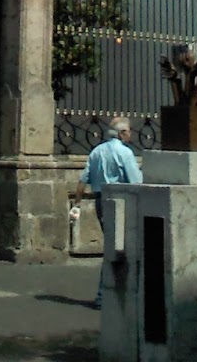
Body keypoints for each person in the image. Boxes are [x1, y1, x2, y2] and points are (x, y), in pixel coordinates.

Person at [72, 117, 142, 307]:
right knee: (122, 246)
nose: (130, 134)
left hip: (100, 200)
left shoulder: (96, 152)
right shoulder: (125, 153)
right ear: (121, 133)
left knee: (114, 244)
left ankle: (111, 293)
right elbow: (136, 182)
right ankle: (109, 294)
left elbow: (83, 179)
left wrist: (77, 204)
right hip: (122, 199)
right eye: (128, 131)